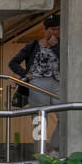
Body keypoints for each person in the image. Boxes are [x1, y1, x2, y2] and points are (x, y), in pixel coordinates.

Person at [10, 14, 62, 147]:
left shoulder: (61, 45)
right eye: (53, 29)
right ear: (46, 29)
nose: (56, 32)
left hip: (58, 83)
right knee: (39, 120)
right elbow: (13, 62)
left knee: (65, 117)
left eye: (58, 29)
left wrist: (55, 46)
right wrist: (25, 74)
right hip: (37, 83)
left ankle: (54, 147)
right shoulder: (33, 45)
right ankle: (40, 151)